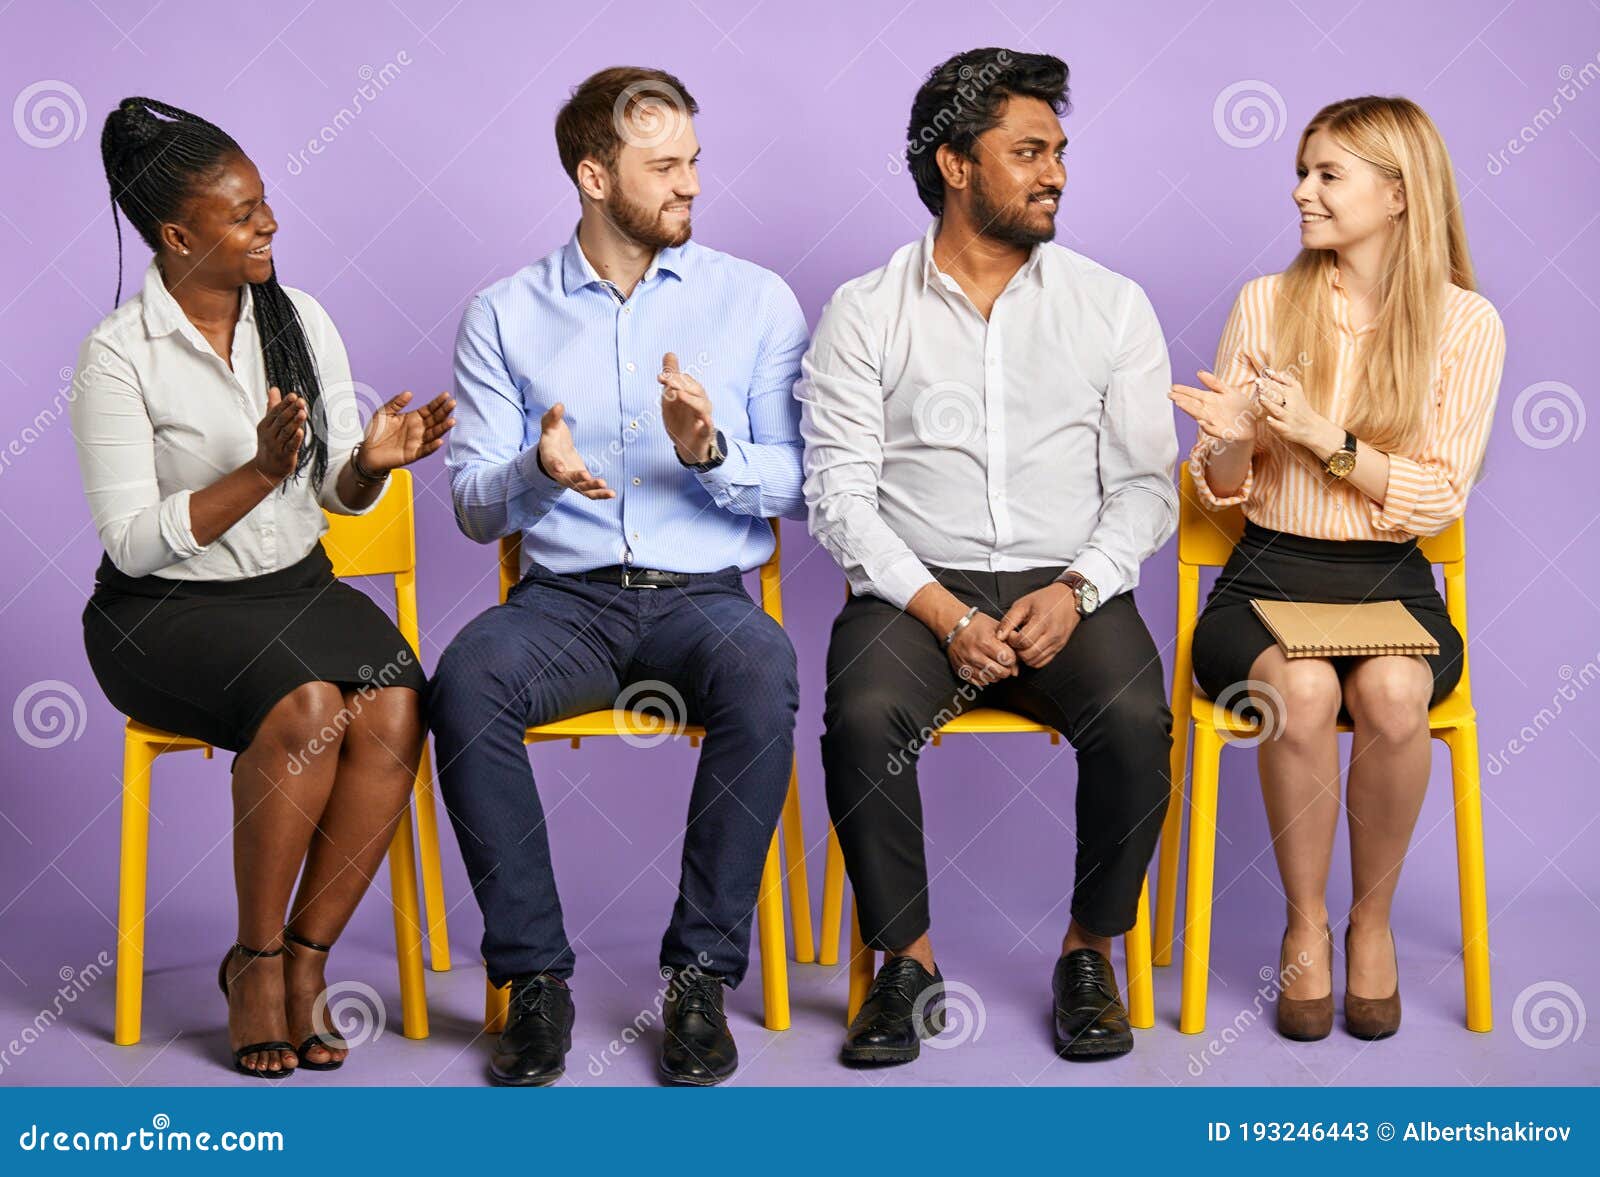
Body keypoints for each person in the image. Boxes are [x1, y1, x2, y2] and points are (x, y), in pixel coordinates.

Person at [428, 66, 809, 1087]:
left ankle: (697, 979)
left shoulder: (755, 300)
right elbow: (470, 506)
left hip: (703, 605)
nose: (689, 184)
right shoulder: (504, 313)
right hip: (564, 606)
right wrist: (534, 472)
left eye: (693, 160)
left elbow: (800, 482)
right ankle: (534, 980)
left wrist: (707, 450)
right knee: (465, 679)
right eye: (664, 166)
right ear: (595, 177)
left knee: (763, 673)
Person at [798, 48, 1178, 1065]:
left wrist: (1079, 586)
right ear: (956, 165)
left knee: (1138, 719)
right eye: (1027, 151)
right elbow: (839, 496)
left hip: (1072, 580)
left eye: (1058, 151)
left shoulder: (1111, 304)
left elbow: (1145, 485)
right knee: (864, 714)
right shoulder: (864, 311)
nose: (1054, 172)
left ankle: (1088, 950)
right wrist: (943, 614)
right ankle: (905, 961)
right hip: (916, 586)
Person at [73, 98, 454, 1078]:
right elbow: (133, 540)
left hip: (296, 589)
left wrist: (372, 461)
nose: (268, 225)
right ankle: (254, 962)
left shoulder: (297, 317)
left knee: (398, 700)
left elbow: (332, 487)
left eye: (266, 203)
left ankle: (305, 956)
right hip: (163, 612)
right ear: (178, 234)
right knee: (310, 703)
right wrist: (250, 472)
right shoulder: (119, 354)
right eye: (242, 214)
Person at [1170, 95, 1506, 1042]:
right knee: (1303, 694)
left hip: (1389, 580)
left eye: (1327, 174)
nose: (1301, 191)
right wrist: (1231, 445)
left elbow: (1439, 499)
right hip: (1268, 576)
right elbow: (1220, 494)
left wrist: (1324, 439)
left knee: (1399, 695)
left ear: (1398, 195)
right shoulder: (1264, 305)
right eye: (1303, 169)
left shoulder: (1466, 323)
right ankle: (1306, 923)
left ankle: (1373, 923)